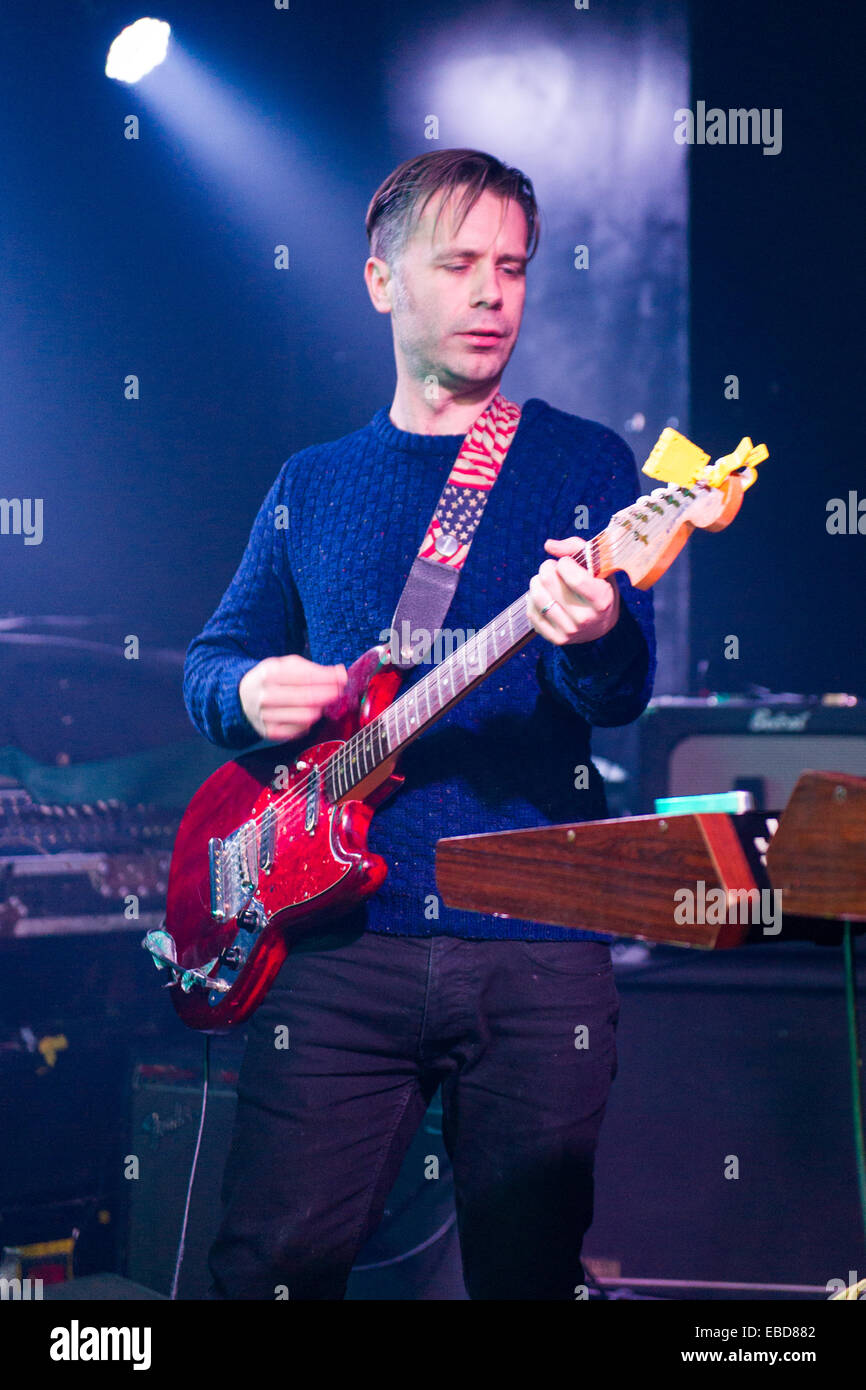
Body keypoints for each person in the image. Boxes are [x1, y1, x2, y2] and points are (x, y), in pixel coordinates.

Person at [182, 148, 656, 1300]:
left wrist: (590, 630)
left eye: (513, 266)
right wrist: (245, 694)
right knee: (268, 1269)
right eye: (458, 264)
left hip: (535, 938)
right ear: (381, 280)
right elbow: (209, 662)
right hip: (337, 942)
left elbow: (619, 694)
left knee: (527, 1276)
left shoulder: (581, 462)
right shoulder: (314, 479)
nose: (494, 292)